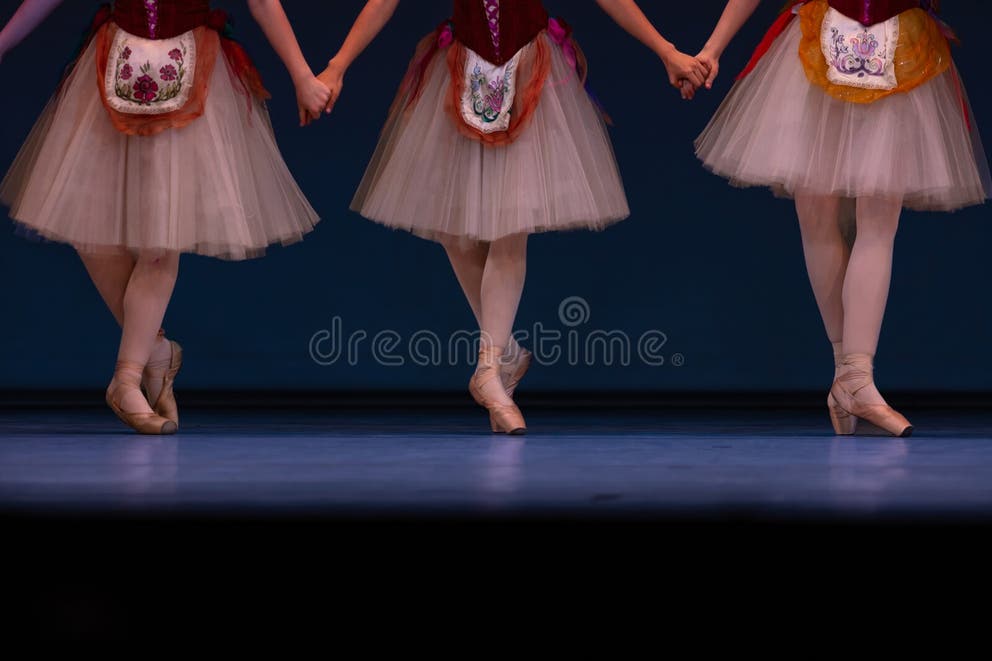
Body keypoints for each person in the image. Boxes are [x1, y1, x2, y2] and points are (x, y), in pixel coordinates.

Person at [315, 0, 708, 434]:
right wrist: (337, 65)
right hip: (464, 70)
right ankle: (508, 353)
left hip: (528, 71)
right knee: (453, 232)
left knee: (509, 227)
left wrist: (665, 49)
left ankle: (487, 368)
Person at [0, 0, 331, 434]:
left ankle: (126, 379)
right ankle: (158, 354)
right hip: (118, 62)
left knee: (162, 238)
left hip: (191, 69)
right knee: (92, 233)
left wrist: (302, 74)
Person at [689, 0, 990, 436]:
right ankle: (846, 376)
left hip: (897, 41)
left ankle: (856, 378)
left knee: (879, 215)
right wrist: (713, 47)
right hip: (819, 36)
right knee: (816, 211)